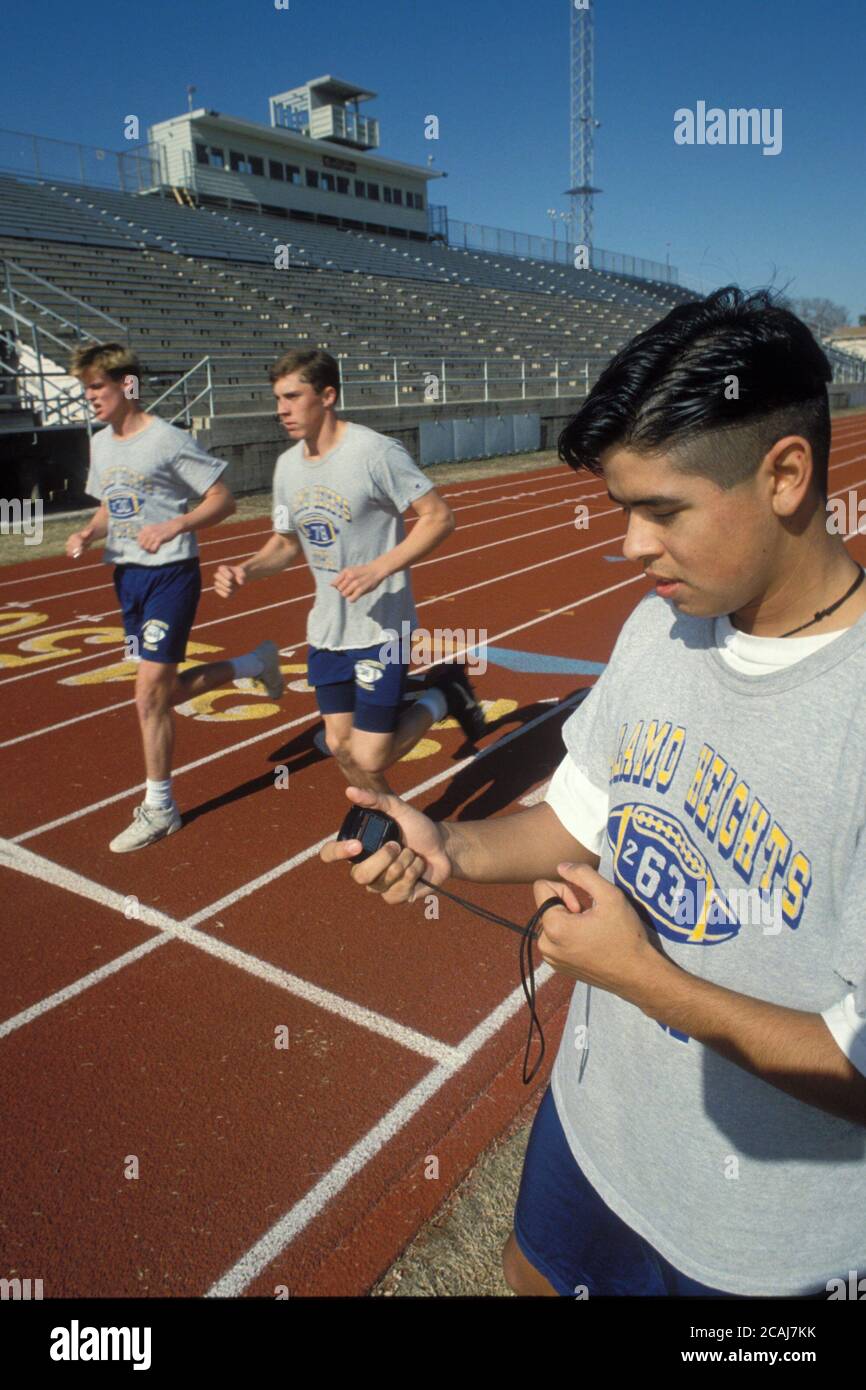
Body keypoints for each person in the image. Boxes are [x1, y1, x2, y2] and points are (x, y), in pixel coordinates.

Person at [320, 287, 866, 1298]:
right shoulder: (658, 627)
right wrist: (445, 841)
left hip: (757, 1246)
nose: (628, 547)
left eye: (661, 511)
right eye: (623, 512)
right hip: (592, 1132)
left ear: (784, 475)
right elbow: (579, 812)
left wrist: (640, 978)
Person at [213, 349, 487, 792]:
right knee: (339, 744)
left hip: (382, 629)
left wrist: (379, 568)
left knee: (370, 755)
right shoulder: (286, 467)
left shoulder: (374, 452)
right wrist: (246, 569)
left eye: (292, 396)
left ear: (327, 395)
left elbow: (439, 517)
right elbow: (286, 545)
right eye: (277, 399)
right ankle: (381, 823)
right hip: (327, 631)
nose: (282, 409)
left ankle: (442, 695)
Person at [66, 343, 284, 852]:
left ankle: (161, 807)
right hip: (127, 580)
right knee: (162, 695)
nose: (90, 397)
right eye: (85, 389)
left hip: (170, 576)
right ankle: (256, 663)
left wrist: (176, 524)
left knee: (146, 696)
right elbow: (110, 508)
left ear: (127, 386)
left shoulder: (167, 439)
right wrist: (86, 533)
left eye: (97, 386)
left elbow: (223, 498)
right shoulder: (100, 444)